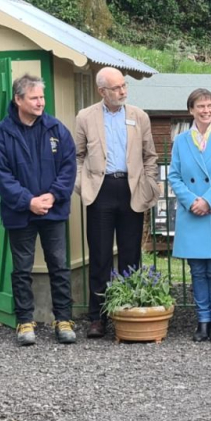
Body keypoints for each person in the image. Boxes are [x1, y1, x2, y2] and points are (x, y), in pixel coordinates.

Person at [0, 74, 77, 346]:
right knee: (22, 269)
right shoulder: (1, 134)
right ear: (18, 99)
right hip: (20, 213)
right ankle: (25, 321)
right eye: (35, 98)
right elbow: (1, 176)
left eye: (42, 97)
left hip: (53, 210)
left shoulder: (56, 129)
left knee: (59, 266)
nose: (41, 102)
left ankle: (63, 319)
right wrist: (29, 201)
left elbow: (68, 166)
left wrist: (52, 195)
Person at [75, 67, 159, 338]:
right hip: (100, 191)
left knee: (130, 254)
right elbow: (76, 156)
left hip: (131, 189)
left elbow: (150, 156)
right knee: (99, 256)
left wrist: (150, 184)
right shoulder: (85, 117)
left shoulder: (139, 116)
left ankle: (128, 309)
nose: (123, 91)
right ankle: (97, 318)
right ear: (102, 91)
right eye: (116, 88)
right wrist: (81, 184)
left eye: (124, 86)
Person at [168, 88, 211, 344]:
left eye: (209, 105)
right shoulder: (181, 141)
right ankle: (203, 320)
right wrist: (191, 201)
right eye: (201, 106)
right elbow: (174, 175)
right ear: (191, 110)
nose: (206, 110)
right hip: (192, 210)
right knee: (197, 270)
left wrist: (208, 200)